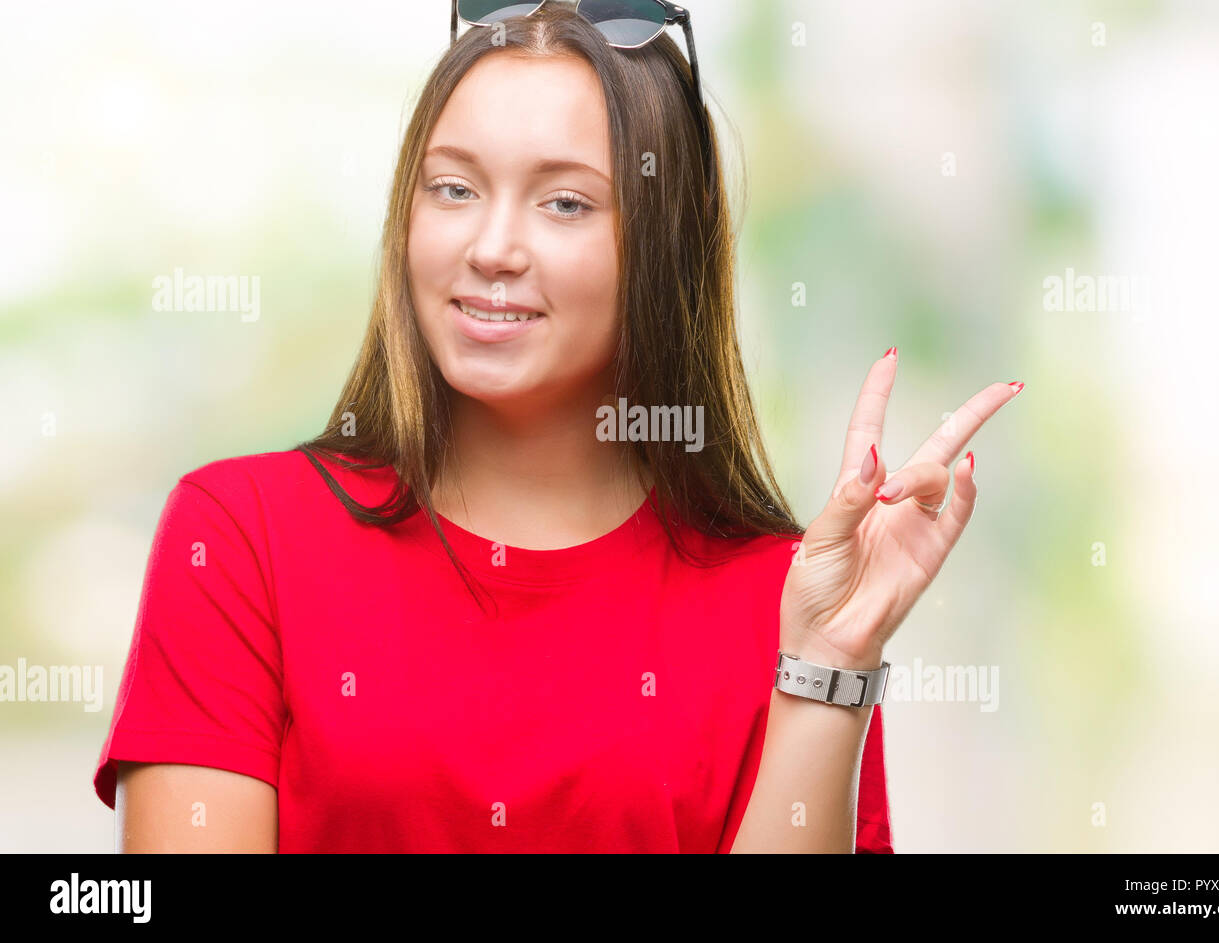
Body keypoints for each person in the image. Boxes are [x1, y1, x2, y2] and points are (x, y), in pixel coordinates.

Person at [93, 0, 1021, 853]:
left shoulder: (791, 606)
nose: (491, 247)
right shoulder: (241, 535)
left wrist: (829, 660)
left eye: (565, 201)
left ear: (662, 240)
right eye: (453, 189)